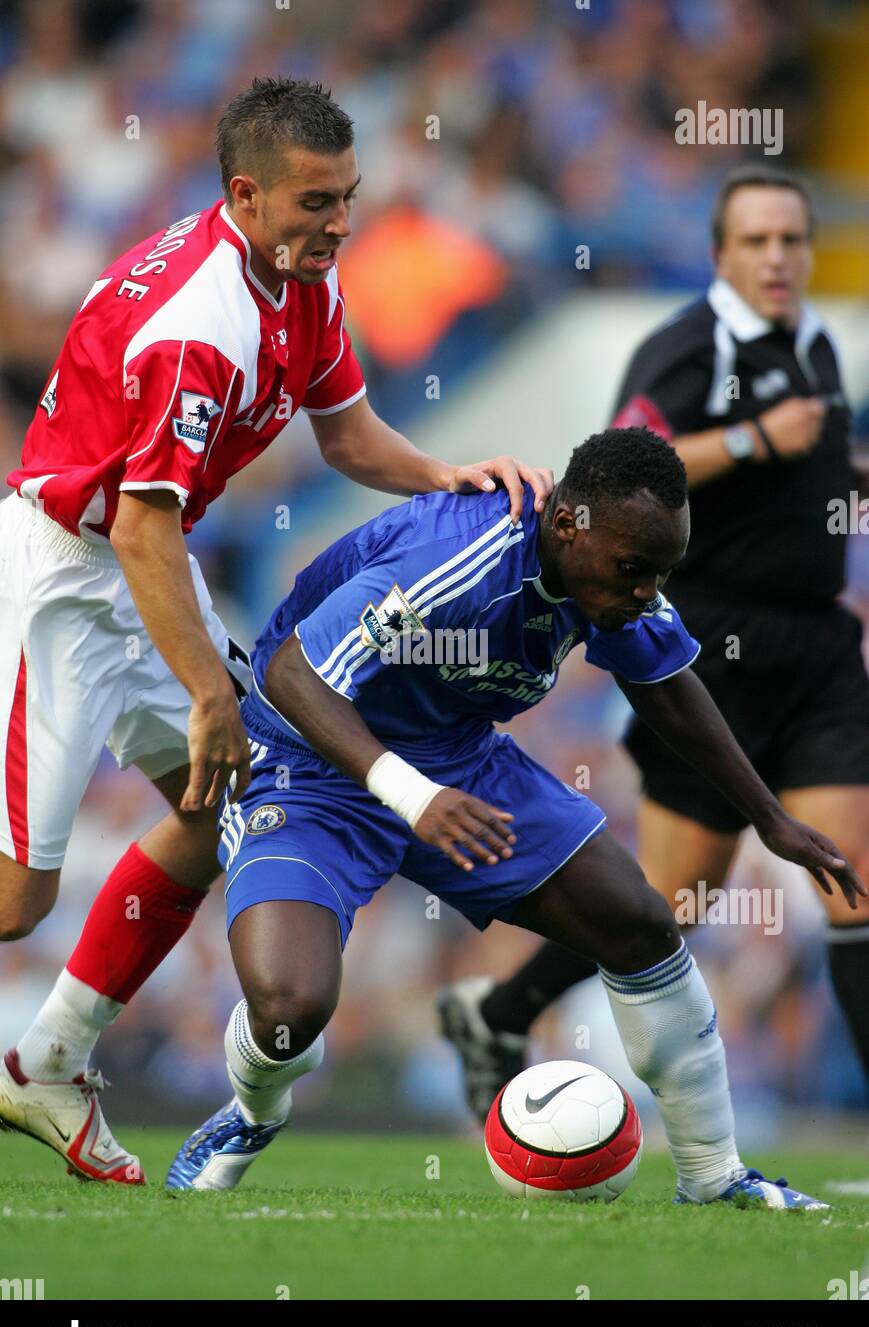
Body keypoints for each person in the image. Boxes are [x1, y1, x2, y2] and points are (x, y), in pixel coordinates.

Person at [0, 76, 551, 1182]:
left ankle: (47, 1060)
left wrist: (445, 472)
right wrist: (210, 694)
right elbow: (143, 530)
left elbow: (345, 436)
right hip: (64, 577)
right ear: (246, 196)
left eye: (346, 199)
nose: (338, 223)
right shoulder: (196, 324)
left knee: (229, 802)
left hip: (144, 568)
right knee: (17, 904)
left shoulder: (296, 280)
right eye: (315, 203)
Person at [164, 427, 861, 1208]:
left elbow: (667, 685)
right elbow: (293, 672)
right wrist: (411, 794)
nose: (644, 592)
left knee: (636, 921)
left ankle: (713, 1175)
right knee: (290, 1011)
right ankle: (252, 1114)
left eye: (661, 574)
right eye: (635, 571)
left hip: (454, 759)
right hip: (307, 763)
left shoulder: (611, 569)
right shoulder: (459, 560)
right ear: (568, 525)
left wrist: (767, 817)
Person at [439, 165, 869, 1121]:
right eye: (754, 240)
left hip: (820, 646)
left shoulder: (818, 348)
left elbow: (814, 467)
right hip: (712, 645)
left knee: (854, 881)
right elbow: (624, 470)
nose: (775, 257)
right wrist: (757, 438)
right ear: (719, 252)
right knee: (673, 902)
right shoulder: (687, 346)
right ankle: (501, 1009)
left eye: (790, 240)